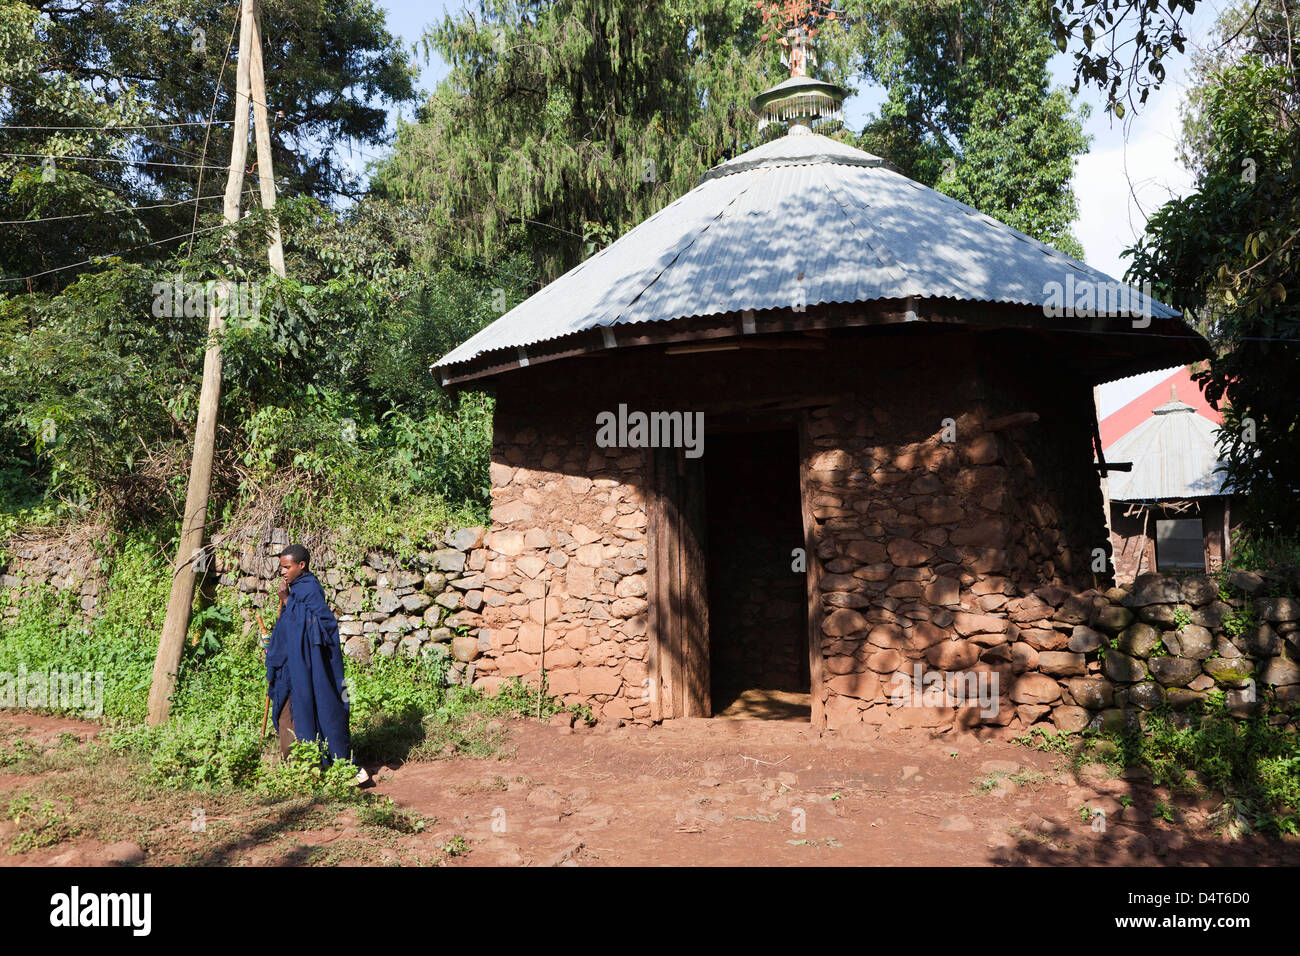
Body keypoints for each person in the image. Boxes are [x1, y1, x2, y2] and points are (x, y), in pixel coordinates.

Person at [264, 543, 368, 784]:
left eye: (287, 567)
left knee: (315, 711)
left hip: (311, 668)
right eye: (281, 567)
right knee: (287, 714)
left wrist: (288, 600)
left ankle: (315, 768)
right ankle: (299, 769)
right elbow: (289, 627)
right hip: (293, 666)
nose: (283, 572)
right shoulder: (296, 589)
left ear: (302, 565)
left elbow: (322, 626)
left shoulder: (310, 590)